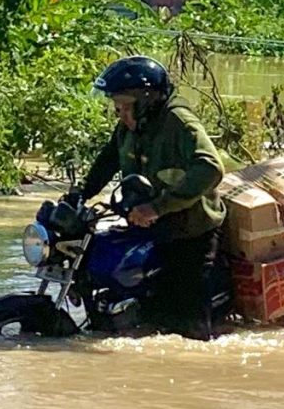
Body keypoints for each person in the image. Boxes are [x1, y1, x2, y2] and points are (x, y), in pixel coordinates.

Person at [70, 56, 228, 340]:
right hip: (150, 228)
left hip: (190, 231)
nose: (119, 111)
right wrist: (81, 194)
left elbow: (211, 167)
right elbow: (109, 159)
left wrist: (157, 207)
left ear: (146, 100)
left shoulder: (178, 121)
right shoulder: (131, 125)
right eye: (115, 104)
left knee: (188, 326)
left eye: (124, 104)